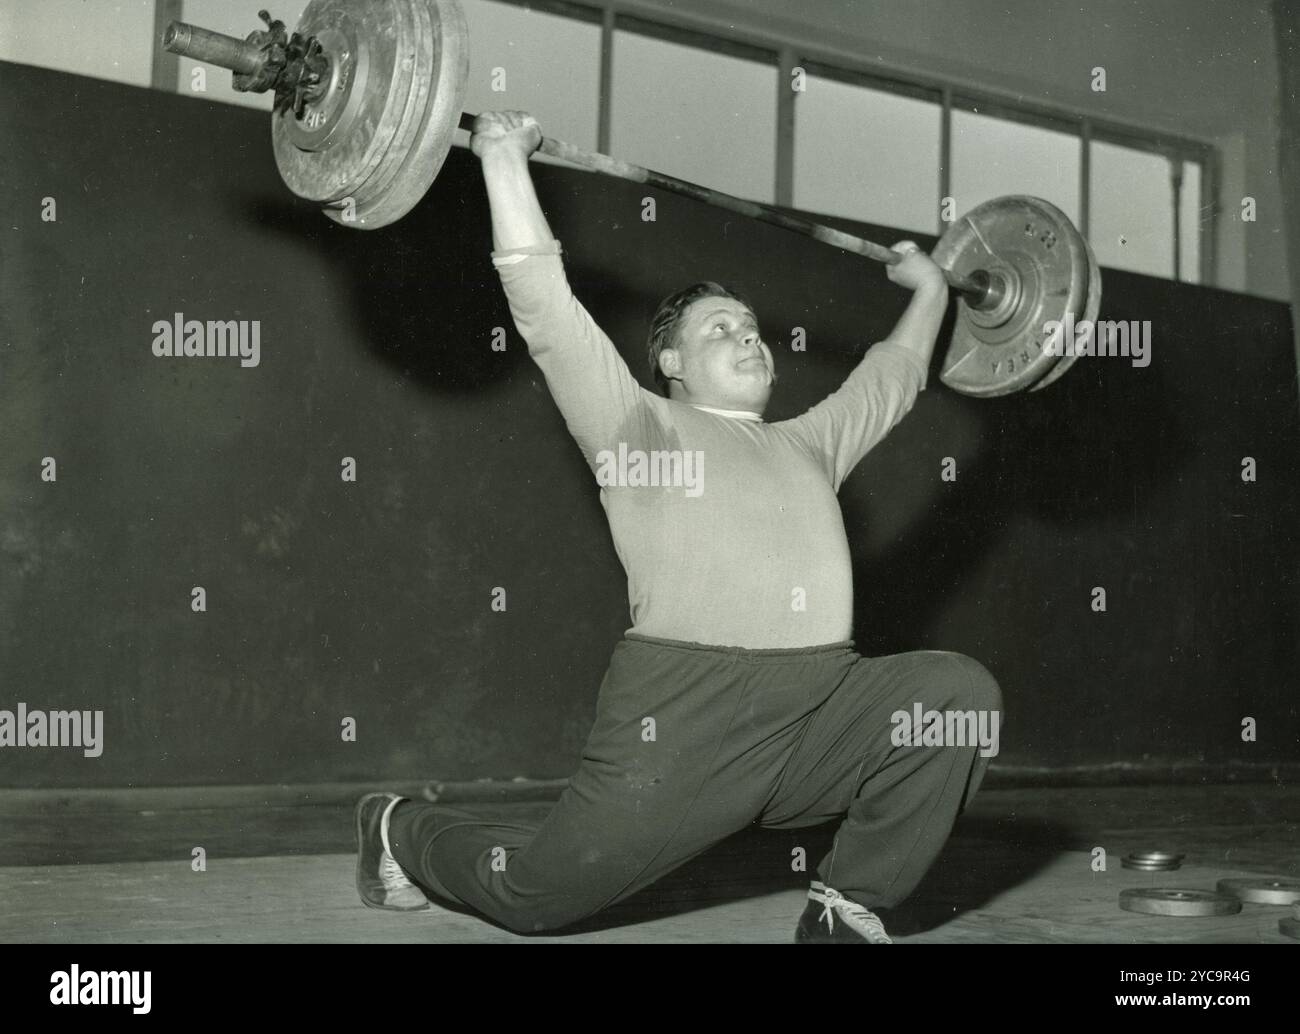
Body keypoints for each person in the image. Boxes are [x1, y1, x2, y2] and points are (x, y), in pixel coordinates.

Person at [354, 110, 1002, 943]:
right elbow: (545, 309)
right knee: (537, 899)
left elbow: (898, 376)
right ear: (670, 363)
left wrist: (934, 290)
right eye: (720, 329)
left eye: (753, 328)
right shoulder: (637, 427)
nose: (749, 337)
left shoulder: (808, 444)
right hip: (685, 720)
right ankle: (397, 828)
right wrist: (503, 162)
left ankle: (847, 908)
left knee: (955, 697)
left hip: (817, 711)